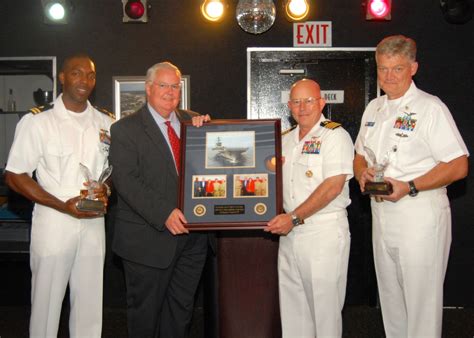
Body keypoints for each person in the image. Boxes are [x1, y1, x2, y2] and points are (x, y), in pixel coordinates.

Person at [353, 35, 469, 338]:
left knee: (421, 304)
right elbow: (359, 155)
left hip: (419, 213)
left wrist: (411, 186)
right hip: (382, 215)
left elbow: (458, 166)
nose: (388, 76)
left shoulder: (431, 108)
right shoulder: (373, 109)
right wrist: (362, 174)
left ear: (413, 68)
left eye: (397, 69)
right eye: (383, 69)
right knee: (391, 302)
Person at [4, 54, 114, 337]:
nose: (85, 81)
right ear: (62, 78)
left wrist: (107, 188)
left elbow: (113, 170)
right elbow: (15, 175)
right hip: (54, 220)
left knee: (90, 305)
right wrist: (61, 205)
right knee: (46, 302)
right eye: (76, 73)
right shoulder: (38, 121)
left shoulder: (106, 121)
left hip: (93, 221)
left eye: (90, 75)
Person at [109, 61, 211, 338]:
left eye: (175, 86)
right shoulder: (125, 130)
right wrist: (165, 212)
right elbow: (126, 181)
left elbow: (214, 167)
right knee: (145, 318)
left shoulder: (196, 122)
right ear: (148, 88)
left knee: (180, 314)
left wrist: (211, 133)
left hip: (193, 240)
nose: (169, 92)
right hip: (148, 240)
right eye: (163, 85)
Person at [265, 79, 354, 337]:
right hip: (290, 234)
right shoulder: (285, 139)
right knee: (294, 313)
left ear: (321, 102)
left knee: (324, 314)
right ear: (289, 105)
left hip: (322, 232)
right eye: (296, 101)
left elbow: (333, 187)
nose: (302, 107)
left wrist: (293, 218)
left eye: (308, 101)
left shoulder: (335, 135)